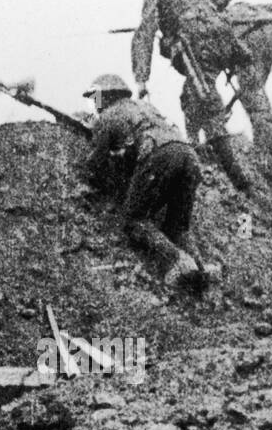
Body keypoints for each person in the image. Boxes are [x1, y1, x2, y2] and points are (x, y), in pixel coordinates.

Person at [129, 0, 253, 192]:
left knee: (206, 103)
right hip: (226, 41)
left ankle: (239, 179)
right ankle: (196, 144)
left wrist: (142, 78)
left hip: (199, 47)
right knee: (191, 96)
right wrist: (202, 11)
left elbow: (144, 33)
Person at [80, 73, 203, 288]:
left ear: (107, 96)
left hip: (160, 155)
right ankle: (200, 270)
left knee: (134, 219)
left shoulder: (108, 116)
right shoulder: (144, 108)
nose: (94, 103)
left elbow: (96, 162)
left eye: (96, 97)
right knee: (178, 226)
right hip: (188, 155)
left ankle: (177, 261)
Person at [223, 0, 272, 167]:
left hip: (248, 38)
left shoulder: (216, 22)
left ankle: (268, 154)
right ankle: (265, 148)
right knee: (256, 91)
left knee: (254, 96)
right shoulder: (247, 9)